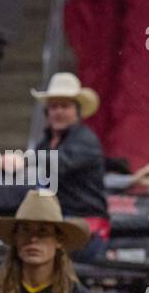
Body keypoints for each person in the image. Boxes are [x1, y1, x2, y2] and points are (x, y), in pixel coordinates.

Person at [28, 72, 109, 262]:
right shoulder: (45, 144)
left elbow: (60, 162)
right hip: (54, 225)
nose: (58, 112)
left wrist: (24, 160)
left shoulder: (85, 140)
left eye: (65, 106)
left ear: (77, 112)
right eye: (54, 106)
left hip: (83, 228)